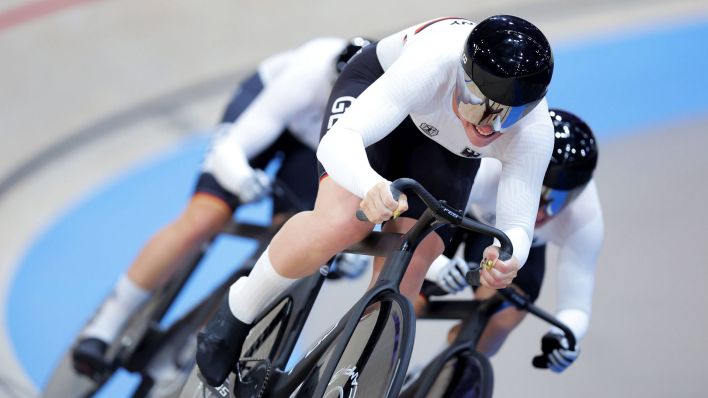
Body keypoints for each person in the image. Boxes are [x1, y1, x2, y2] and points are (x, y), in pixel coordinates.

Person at [196, 14, 557, 387]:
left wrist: (509, 257)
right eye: (476, 105)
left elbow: (518, 224)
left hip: (446, 148)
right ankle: (238, 310)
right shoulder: (433, 62)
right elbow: (340, 140)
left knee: (418, 254)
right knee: (342, 221)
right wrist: (369, 184)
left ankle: (347, 371)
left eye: (506, 116)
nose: (487, 127)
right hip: (379, 92)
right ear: (462, 76)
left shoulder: (533, 130)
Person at [72, 36, 373, 373]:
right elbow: (231, 148)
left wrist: (343, 245)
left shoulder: (379, 106)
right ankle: (104, 325)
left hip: (316, 145)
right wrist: (241, 177)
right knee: (206, 216)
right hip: (265, 114)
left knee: (295, 241)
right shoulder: (310, 70)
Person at [424, 108, 603, 373]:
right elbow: (415, 224)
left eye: (559, 202)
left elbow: (575, 306)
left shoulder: (585, 218)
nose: (543, 214)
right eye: (539, 196)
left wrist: (565, 337)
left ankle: (436, 372)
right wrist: (436, 267)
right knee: (412, 289)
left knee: (501, 318)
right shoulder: (488, 169)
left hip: (518, 246)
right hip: (461, 214)